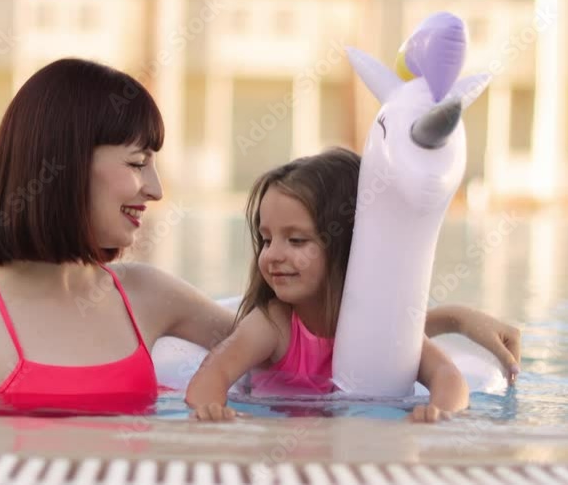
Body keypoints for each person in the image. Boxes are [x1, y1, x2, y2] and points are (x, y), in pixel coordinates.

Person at [0, 58, 521, 419]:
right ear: (64, 163)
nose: (156, 188)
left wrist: (450, 318)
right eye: (137, 163)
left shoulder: (147, 296)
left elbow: (307, 341)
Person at [186, 149, 474, 423]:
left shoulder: (383, 328)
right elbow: (214, 372)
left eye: (296, 240)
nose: (272, 254)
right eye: (266, 240)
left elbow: (447, 375)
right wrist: (211, 411)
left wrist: (439, 413)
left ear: (350, 246)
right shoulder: (275, 324)